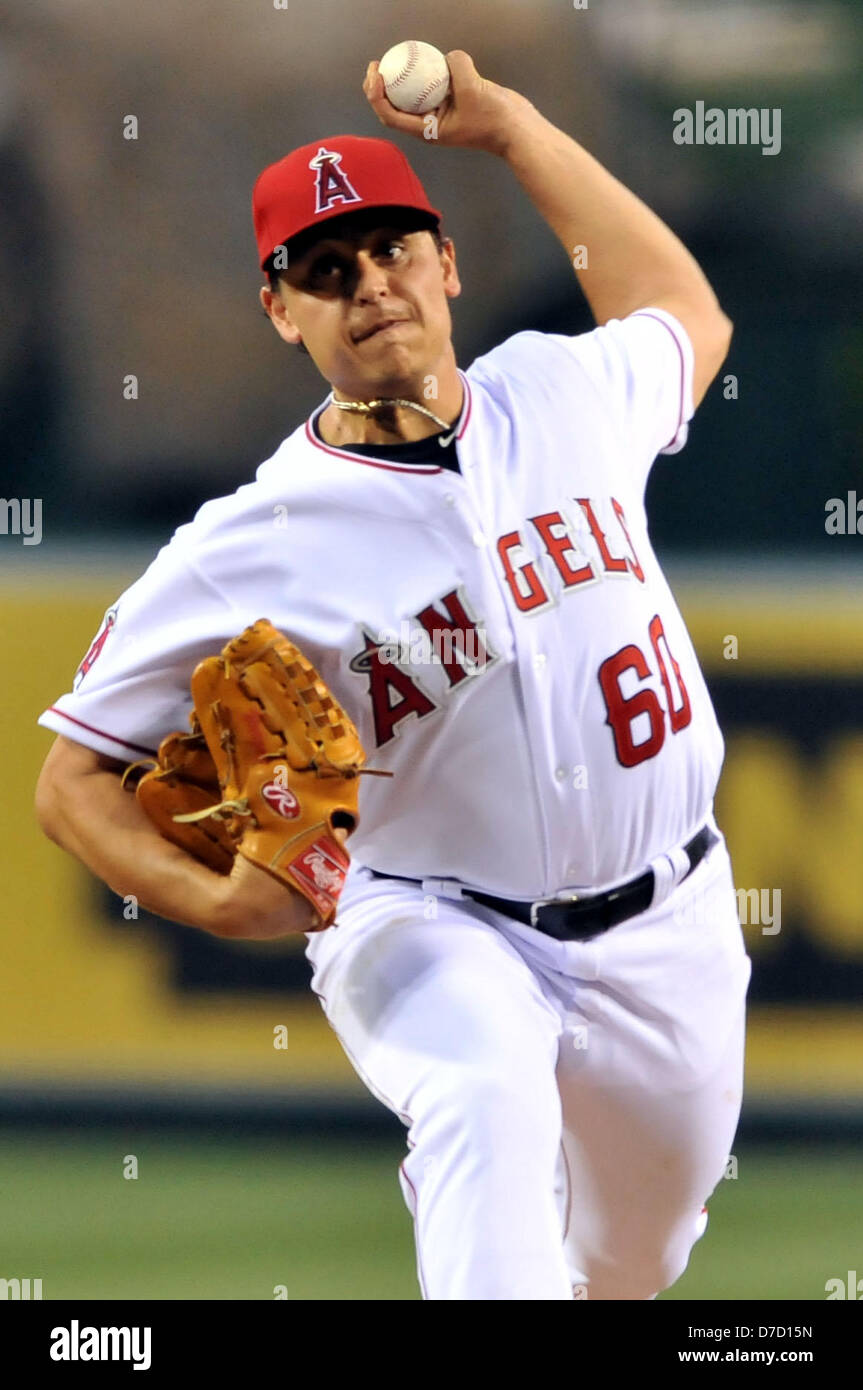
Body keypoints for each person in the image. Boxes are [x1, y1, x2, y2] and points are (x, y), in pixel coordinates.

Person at [35, 52, 750, 1300]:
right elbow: (72, 778)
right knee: (479, 1097)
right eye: (324, 270)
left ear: (447, 264)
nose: (367, 284)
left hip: (672, 922)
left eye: (391, 250)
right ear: (280, 310)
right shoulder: (250, 540)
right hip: (433, 918)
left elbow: (685, 312)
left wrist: (517, 130)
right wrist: (204, 903)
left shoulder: (561, 390)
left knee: (636, 1261)